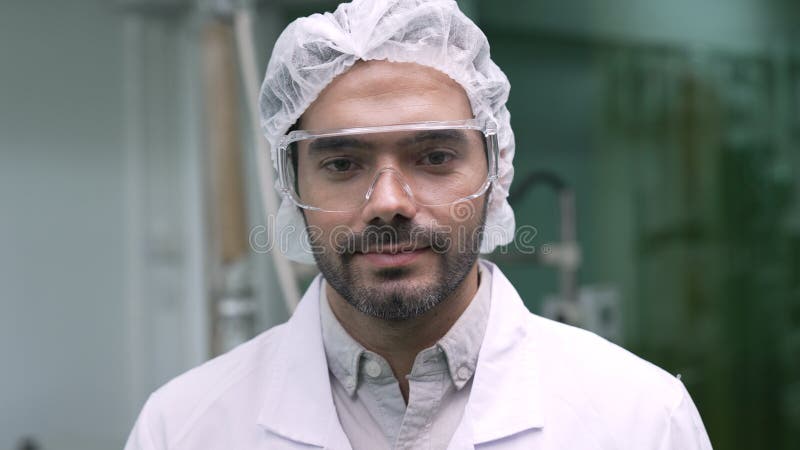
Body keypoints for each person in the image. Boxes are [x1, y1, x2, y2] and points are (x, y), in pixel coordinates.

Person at [125, 0, 713, 449]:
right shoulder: (183, 428)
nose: (388, 201)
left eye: (433, 157)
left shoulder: (640, 420)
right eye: (342, 163)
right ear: (292, 184)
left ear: (497, 168)